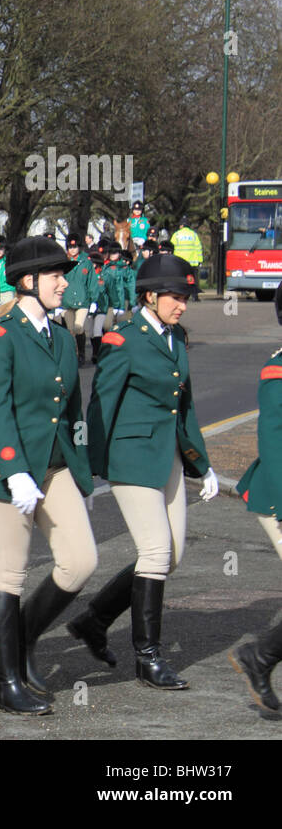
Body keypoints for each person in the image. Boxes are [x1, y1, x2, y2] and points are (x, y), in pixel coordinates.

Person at [0, 236, 97, 715]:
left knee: (80, 561)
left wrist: (82, 476)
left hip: (54, 465)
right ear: (27, 281)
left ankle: (23, 641)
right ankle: (6, 683)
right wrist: (15, 471)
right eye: (56, 274)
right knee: (11, 574)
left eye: (65, 273)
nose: (65, 281)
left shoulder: (62, 337)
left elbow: (72, 411)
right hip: (5, 471)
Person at [71, 255, 214, 689]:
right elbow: (101, 404)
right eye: (176, 297)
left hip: (167, 455)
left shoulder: (175, 339)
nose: (183, 305)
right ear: (150, 296)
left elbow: (182, 406)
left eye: (186, 298)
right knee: (155, 552)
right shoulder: (124, 338)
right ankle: (148, 657)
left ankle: (94, 619)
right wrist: (90, 468)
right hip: (131, 457)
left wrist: (203, 466)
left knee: (171, 556)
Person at [229, 287, 282, 717]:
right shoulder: (277, 371)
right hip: (277, 494)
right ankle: (259, 658)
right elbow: (274, 443)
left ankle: (260, 658)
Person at [60, 233, 100, 364]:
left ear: (79, 247)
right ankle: (73, 354)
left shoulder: (86, 262)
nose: (72, 249)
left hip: (83, 301)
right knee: (70, 330)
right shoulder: (63, 261)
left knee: (78, 327)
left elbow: (92, 282)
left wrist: (93, 300)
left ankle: (82, 353)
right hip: (66, 301)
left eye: (75, 246)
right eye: (70, 246)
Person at [100, 240, 135, 331]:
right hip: (111, 300)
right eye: (110, 252)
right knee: (106, 325)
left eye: (114, 253)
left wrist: (133, 302)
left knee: (122, 324)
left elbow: (131, 285)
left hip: (124, 300)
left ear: (119, 254)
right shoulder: (105, 268)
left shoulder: (125, 268)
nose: (112, 255)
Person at [170, 219, 203, 300]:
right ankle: (195, 296)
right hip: (192, 262)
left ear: (181, 225)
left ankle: (180, 294)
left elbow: (171, 247)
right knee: (193, 279)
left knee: (180, 279)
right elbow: (198, 248)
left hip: (179, 262)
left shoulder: (176, 235)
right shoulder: (193, 235)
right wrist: (200, 260)